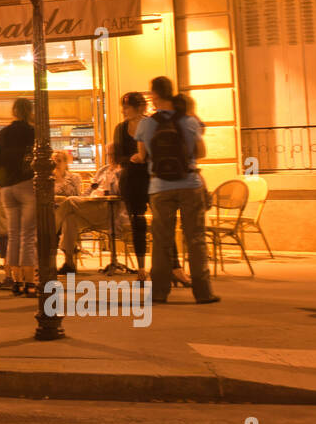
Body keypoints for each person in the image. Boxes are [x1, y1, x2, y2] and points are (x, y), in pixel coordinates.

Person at [133, 76, 220, 304]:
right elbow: (201, 153)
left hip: (159, 186)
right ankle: (203, 292)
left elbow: (141, 157)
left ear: (154, 95)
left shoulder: (146, 124)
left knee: (162, 239)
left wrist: (140, 156)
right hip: (189, 184)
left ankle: (160, 293)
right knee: (196, 238)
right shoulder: (189, 121)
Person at [0, 98, 36, 295]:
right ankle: (30, 282)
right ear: (30, 112)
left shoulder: (2, 134)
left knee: (13, 235)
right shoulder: (33, 132)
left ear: (14, 111)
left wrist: (4, 184)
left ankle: (15, 280)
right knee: (28, 235)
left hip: (6, 189)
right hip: (26, 184)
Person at [54, 161, 131, 275]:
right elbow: (90, 189)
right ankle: (69, 263)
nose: (111, 157)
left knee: (70, 201)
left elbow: (121, 193)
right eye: (109, 154)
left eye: (113, 154)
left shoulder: (123, 171)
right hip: (91, 208)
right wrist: (84, 200)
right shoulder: (103, 170)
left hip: (109, 209)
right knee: (69, 218)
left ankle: (49, 234)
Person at [114, 92, 151, 282]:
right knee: (138, 223)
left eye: (127, 107)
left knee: (162, 221)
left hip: (151, 178)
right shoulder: (121, 129)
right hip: (131, 179)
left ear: (139, 107)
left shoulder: (150, 124)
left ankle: (173, 266)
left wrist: (145, 157)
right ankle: (142, 268)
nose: (123, 110)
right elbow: (117, 156)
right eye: (123, 107)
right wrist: (130, 158)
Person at [51, 150, 83, 273]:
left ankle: (69, 261)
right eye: (53, 161)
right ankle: (66, 262)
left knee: (68, 219)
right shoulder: (46, 178)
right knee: (66, 219)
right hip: (52, 213)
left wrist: (60, 179)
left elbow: (76, 196)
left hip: (69, 213)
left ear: (65, 163)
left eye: (59, 161)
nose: (56, 163)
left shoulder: (74, 177)